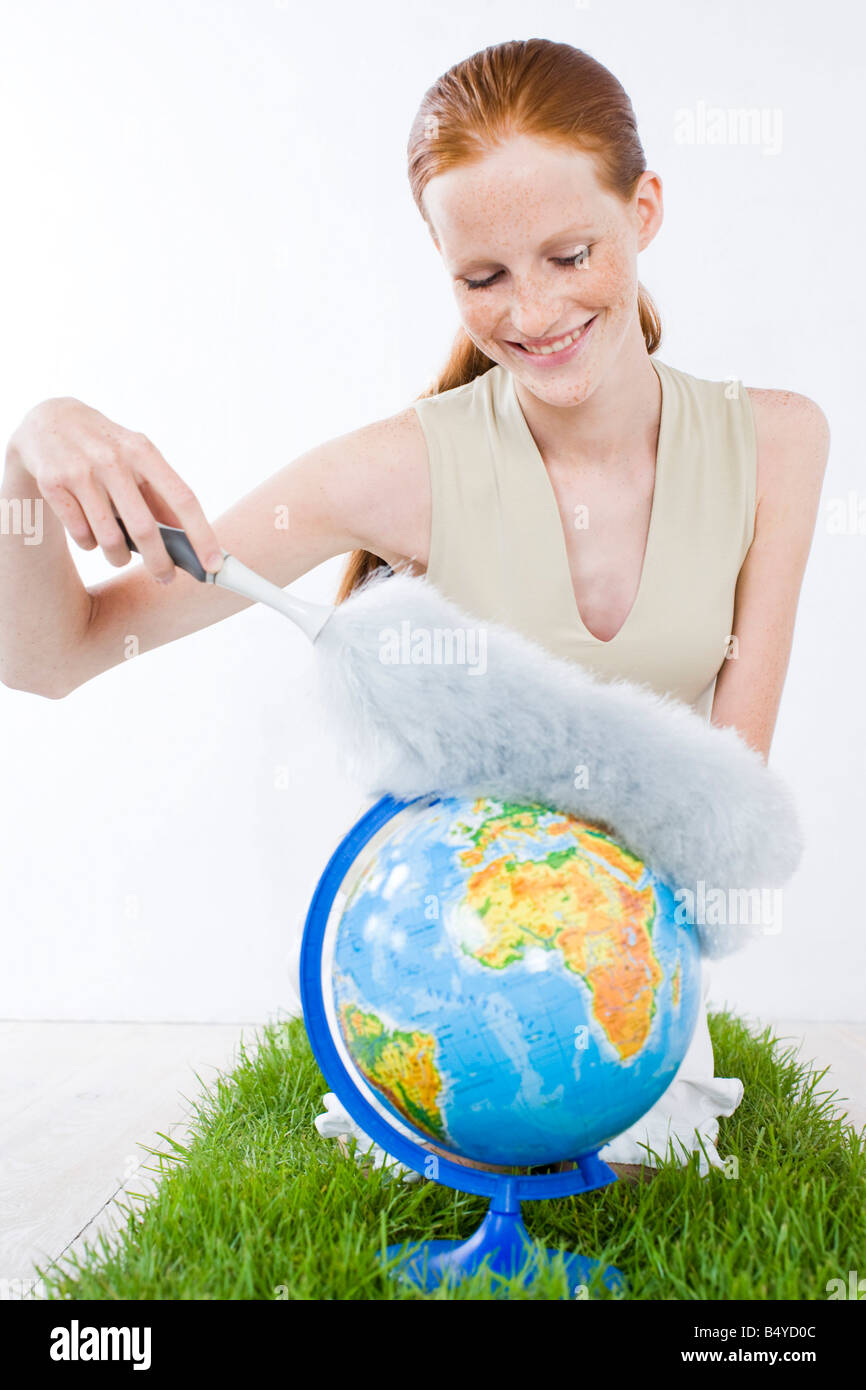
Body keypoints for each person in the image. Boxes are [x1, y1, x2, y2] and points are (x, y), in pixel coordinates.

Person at [0, 39, 828, 1181]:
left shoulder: (777, 443)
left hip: (615, 981)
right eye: (481, 277)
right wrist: (29, 447)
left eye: (568, 253)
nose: (532, 312)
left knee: (642, 1177)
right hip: (443, 977)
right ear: (440, 264)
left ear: (643, 209)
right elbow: (56, 656)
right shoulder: (390, 472)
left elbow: (722, 817)